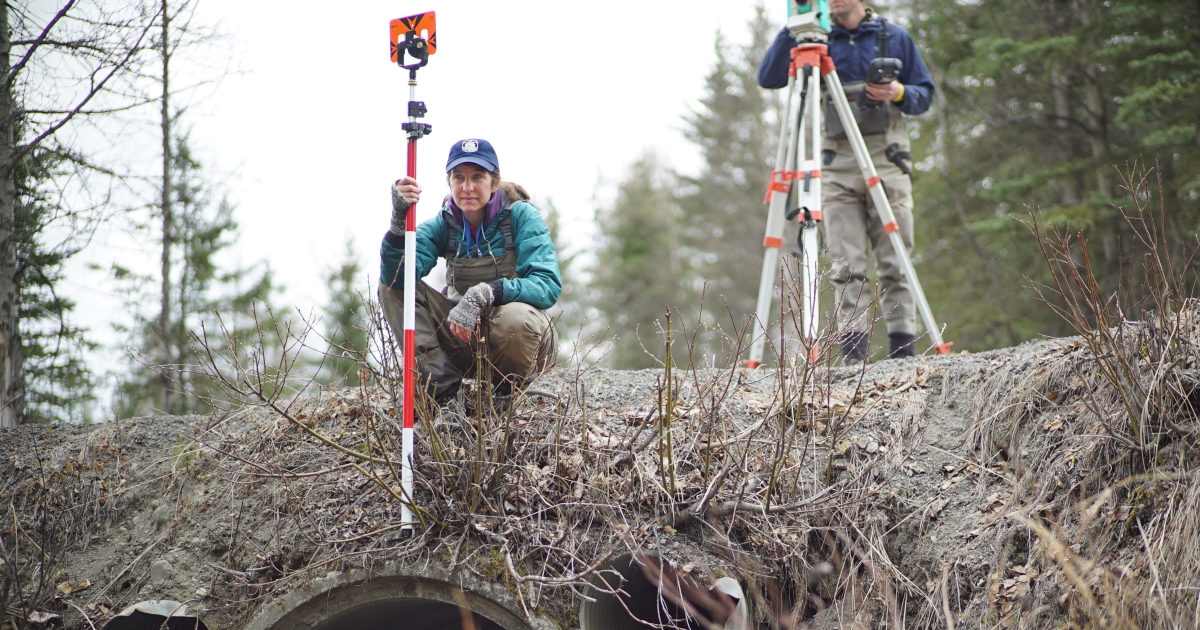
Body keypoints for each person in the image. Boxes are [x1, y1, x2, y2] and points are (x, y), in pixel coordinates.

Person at [757, 0, 935, 360]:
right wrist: (796, 26)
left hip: (886, 159)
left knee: (896, 261)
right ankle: (854, 359)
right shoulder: (817, 40)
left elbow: (924, 95)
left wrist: (899, 92)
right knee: (846, 264)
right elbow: (770, 78)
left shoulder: (894, 37)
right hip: (837, 163)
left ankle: (903, 355)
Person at [379, 138, 561, 402]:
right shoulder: (444, 224)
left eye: (477, 176)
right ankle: (444, 394)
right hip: (463, 340)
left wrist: (488, 292)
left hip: (521, 342)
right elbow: (397, 278)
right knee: (392, 287)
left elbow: (547, 284)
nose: (467, 187)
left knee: (516, 318)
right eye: (458, 177)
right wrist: (398, 224)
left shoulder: (521, 216)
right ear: (450, 182)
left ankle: (508, 393)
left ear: (494, 183)